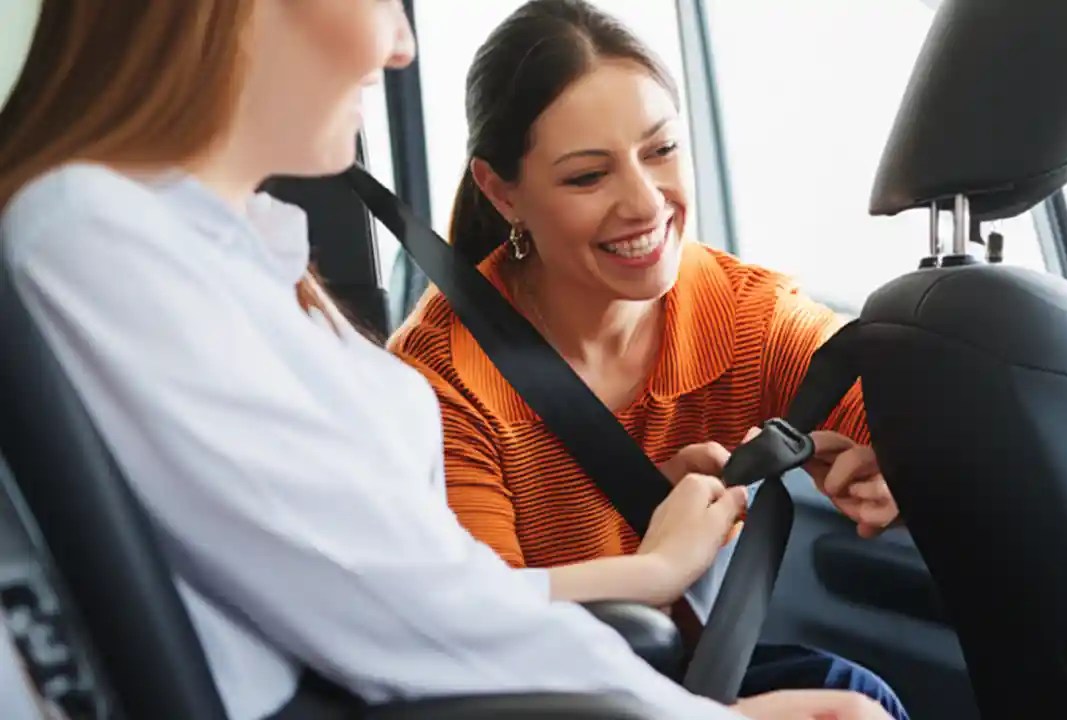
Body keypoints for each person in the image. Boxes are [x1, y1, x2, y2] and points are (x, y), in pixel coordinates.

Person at [0, 1, 891, 720]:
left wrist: (884, 459)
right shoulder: (100, 237)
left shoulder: (239, 259)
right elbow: (390, 601)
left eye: (660, 148)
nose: (398, 42)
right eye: (379, 0)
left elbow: (411, 589)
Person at [387, 1, 906, 718]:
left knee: (853, 691)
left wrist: (891, 470)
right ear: (503, 193)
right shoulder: (441, 377)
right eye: (587, 177)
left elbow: (895, 416)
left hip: (671, 675)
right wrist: (650, 567)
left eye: (661, 152)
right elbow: (483, 636)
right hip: (534, 698)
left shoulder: (739, 313)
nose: (644, 203)